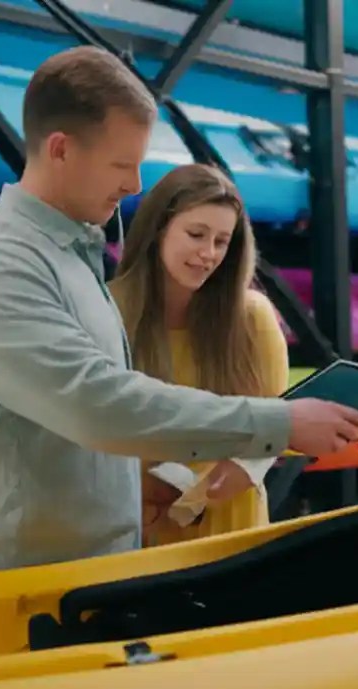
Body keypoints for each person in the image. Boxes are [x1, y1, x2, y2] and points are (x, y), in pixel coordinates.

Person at [0, 46, 358, 579]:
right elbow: (95, 403)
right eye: (121, 165)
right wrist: (280, 421)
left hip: (88, 575)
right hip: (20, 585)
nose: (135, 185)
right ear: (61, 149)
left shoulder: (72, 260)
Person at [108, 163, 288, 545]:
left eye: (222, 242)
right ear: (158, 228)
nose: (208, 254)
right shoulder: (107, 310)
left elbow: (274, 427)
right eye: (196, 234)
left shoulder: (253, 317)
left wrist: (187, 488)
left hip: (234, 530)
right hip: (136, 534)